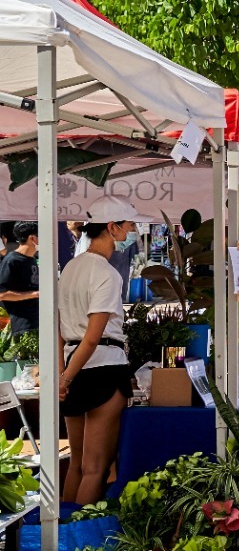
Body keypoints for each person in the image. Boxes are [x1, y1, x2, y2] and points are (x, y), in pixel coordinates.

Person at [59, 197, 138, 505]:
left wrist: (63, 375)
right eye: (129, 224)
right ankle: (81, 545)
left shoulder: (70, 270)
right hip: (103, 365)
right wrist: (64, 379)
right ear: (111, 227)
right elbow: (93, 338)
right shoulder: (106, 273)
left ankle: (63, 538)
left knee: (77, 465)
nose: (132, 229)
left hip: (74, 366)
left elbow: (61, 332)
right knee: (96, 468)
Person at [0, 221, 41, 334]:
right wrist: (35, 294)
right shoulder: (12, 260)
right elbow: (2, 294)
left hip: (37, 323)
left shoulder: (32, 260)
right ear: (32, 238)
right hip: (22, 327)